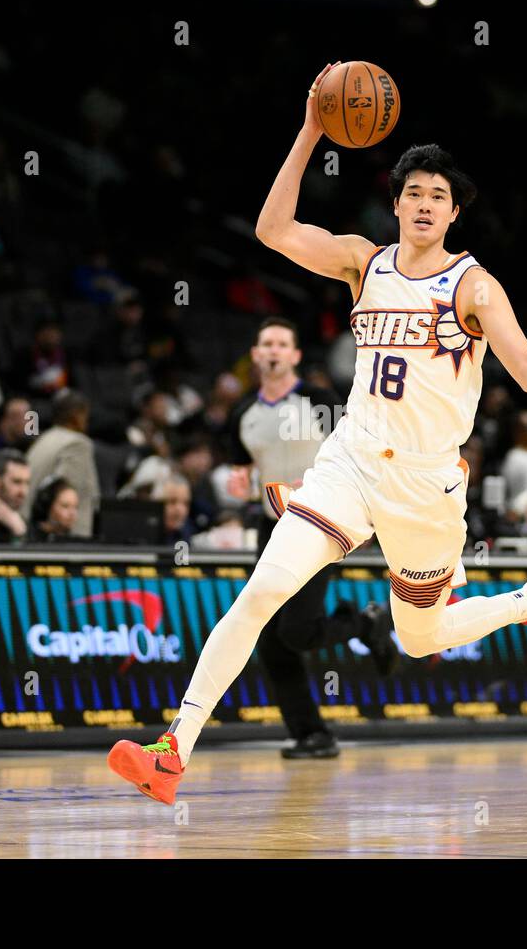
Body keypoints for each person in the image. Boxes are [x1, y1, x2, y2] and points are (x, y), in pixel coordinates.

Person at [108, 64, 527, 804]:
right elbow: (273, 230)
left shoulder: (473, 285)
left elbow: (526, 373)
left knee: (422, 637)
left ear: (455, 213)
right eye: (415, 193)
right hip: (350, 464)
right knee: (262, 591)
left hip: (425, 486)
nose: (426, 204)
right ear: (395, 204)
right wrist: (311, 128)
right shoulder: (363, 262)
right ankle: (175, 748)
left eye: (440, 196)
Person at [223, 316, 397, 759]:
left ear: (296, 355)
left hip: (320, 520)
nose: (275, 350)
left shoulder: (320, 401)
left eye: (283, 342)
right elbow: (244, 467)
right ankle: (311, 734)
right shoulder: (243, 413)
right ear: (257, 354)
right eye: (267, 343)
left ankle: (365, 622)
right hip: (271, 526)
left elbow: (360, 451)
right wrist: (241, 483)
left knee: (297, 631)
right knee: (270, 637)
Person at [25, 391, 100, 538]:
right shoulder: (77, 443)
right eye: (85, 415)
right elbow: (68, 494)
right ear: (76, 415)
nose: (87, 421)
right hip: (63, 538)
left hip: (33, 529)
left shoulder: (42, 440)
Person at [27, 475, 82, 542]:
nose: (72, 513)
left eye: (76, 507)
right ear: (47, 506)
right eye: (65, 506)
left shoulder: (76, 543)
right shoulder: (28, 539)